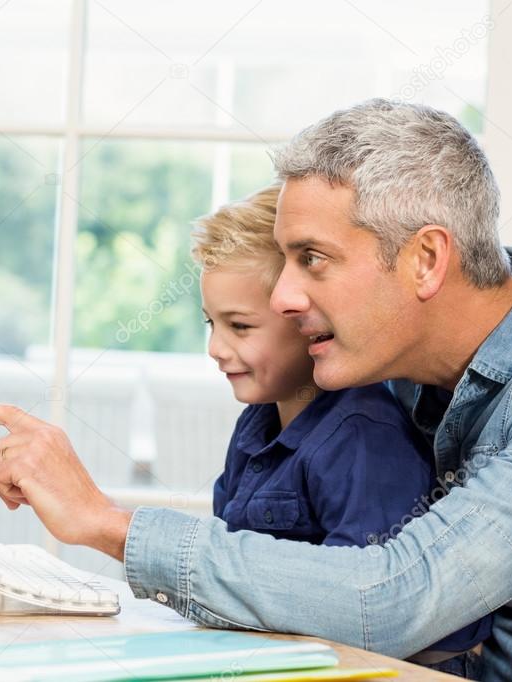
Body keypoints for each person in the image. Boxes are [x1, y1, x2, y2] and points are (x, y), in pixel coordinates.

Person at [0, 99, 512, 681]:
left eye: (311, 258)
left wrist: (107, 525)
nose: (283, 296)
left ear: (424, 260)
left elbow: (397, 595)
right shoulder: (392, 357)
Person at [194, 184, 490, 676]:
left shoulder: (360, 436)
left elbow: (365, 608)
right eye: (211, 323)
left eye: (239, 327)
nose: (215, 348)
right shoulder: (258, 422)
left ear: (307, 321)